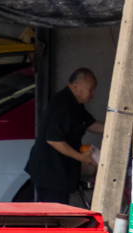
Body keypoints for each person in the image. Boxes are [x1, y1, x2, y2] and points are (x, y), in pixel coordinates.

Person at [24, 68, 105, 204]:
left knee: (60, 215)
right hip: (50, 171)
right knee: (53, 217)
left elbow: (90, 124)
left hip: (62, 171)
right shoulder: (62, 104)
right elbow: (54, 140)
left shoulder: (77, 105)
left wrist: (118, 130)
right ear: (75, 85)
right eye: (90, 89)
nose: (93, 93)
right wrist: (80, 157)